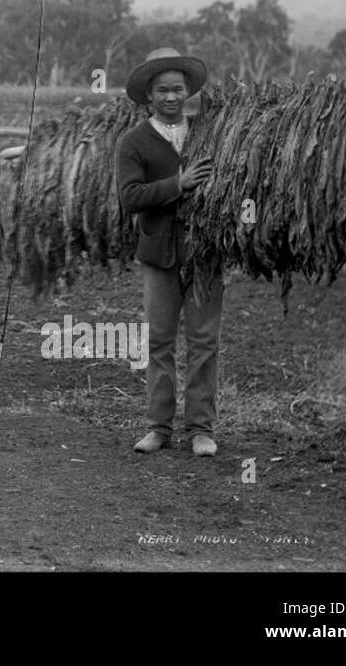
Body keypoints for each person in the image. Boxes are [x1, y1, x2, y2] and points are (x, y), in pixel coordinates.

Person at [116, 47, 221, 456]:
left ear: (188, 92)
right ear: (149, 95)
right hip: (159, 255)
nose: (172, 97)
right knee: (159, 342)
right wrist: (179, 184)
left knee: (204, 341)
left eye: (178, 89)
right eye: (163, 91)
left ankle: (200, 430)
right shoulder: (134, 142)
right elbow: (130, 197)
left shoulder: (207, 133)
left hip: (204, 253)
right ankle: (158, 428)